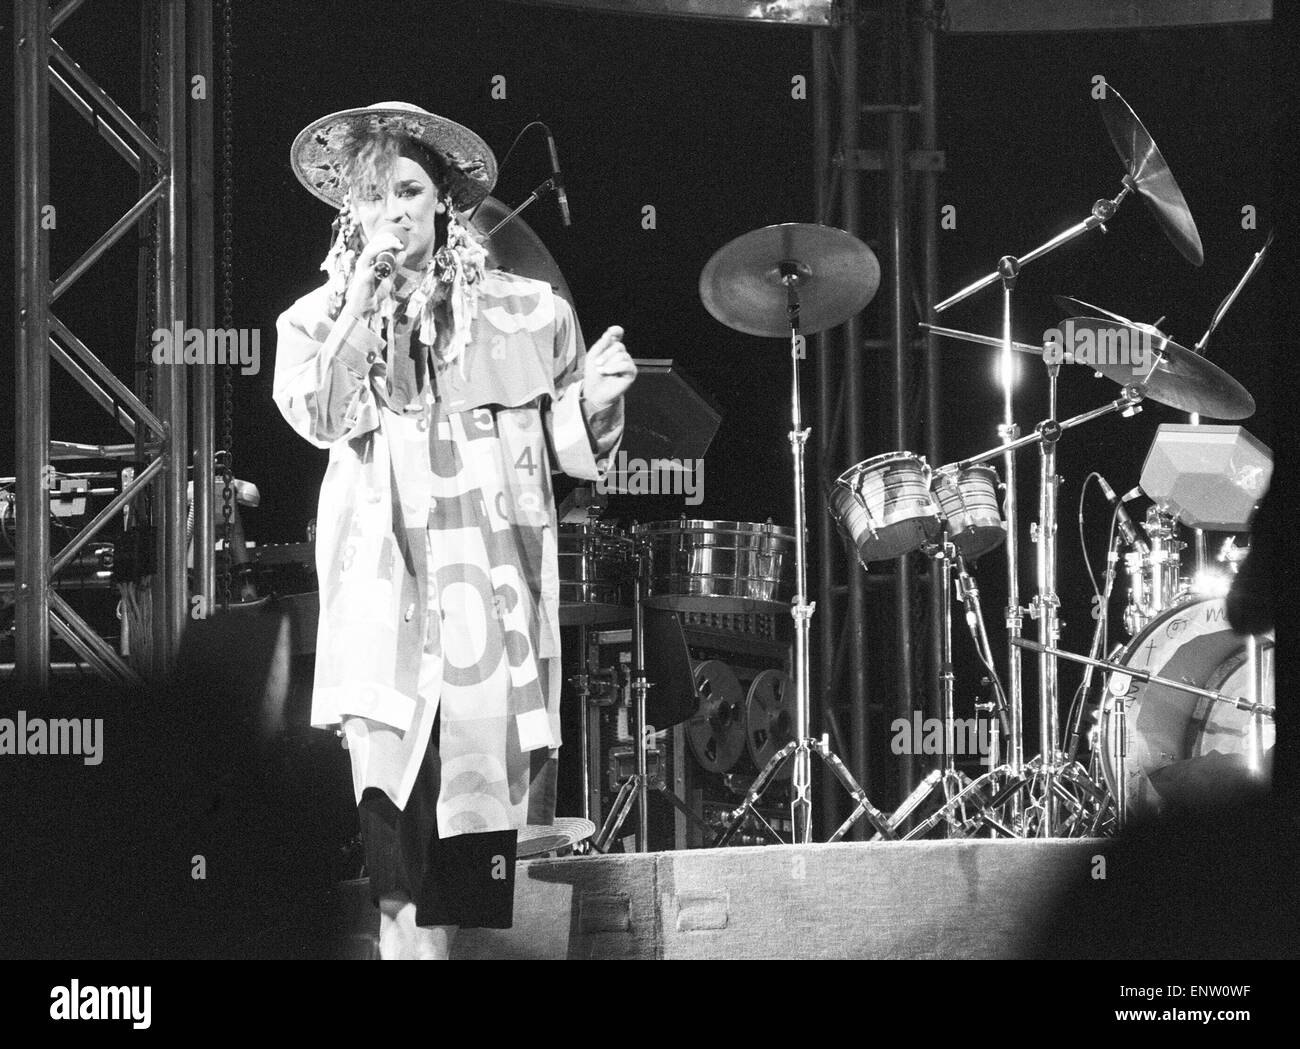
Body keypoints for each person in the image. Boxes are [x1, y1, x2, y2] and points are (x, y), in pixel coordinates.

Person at [273, 102, 635, 959]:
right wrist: (360, 306)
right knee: (395, 875)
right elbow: (319, 414)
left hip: (487, 630)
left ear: (442, 201)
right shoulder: (317, 320)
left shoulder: (528, 313)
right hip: (387, 620)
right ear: (350, 214)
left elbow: (562, 452)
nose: (391, 211)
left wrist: (596, 403)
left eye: (408, 190)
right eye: (372, 197)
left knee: (469, 883)